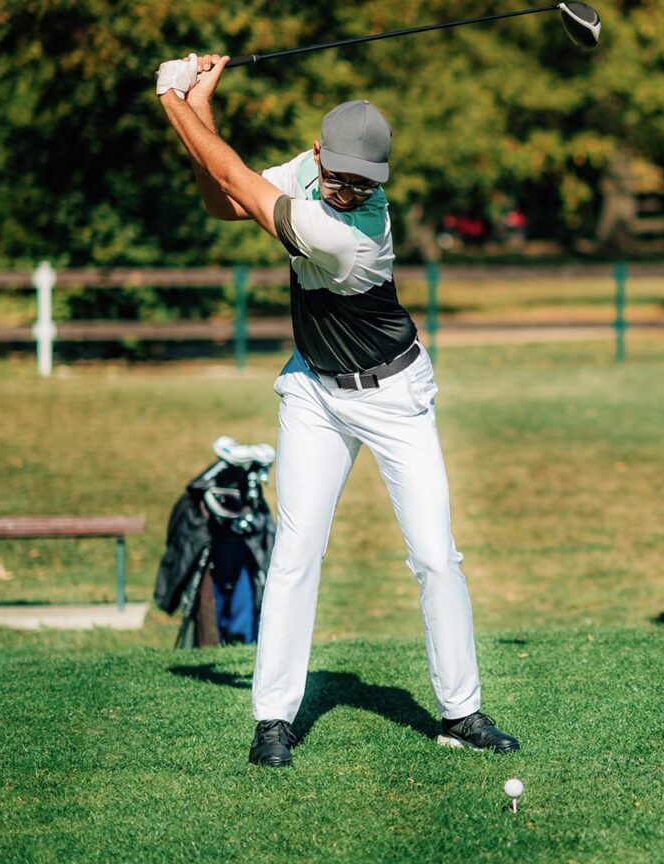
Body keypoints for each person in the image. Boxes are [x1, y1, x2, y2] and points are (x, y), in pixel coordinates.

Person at [156, 54, 517, 766]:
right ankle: (272, 721)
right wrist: (199, 109)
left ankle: (461, 712)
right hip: (316, 390)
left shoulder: (351, 236)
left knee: (434, 557)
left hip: (393, 395)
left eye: (363, 181)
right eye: (340, 174)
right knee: (295, 551)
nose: (348, 189)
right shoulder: (312, 173)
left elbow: (234, 179)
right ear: (320, 155)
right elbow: (222, 199)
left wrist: (173, 99)